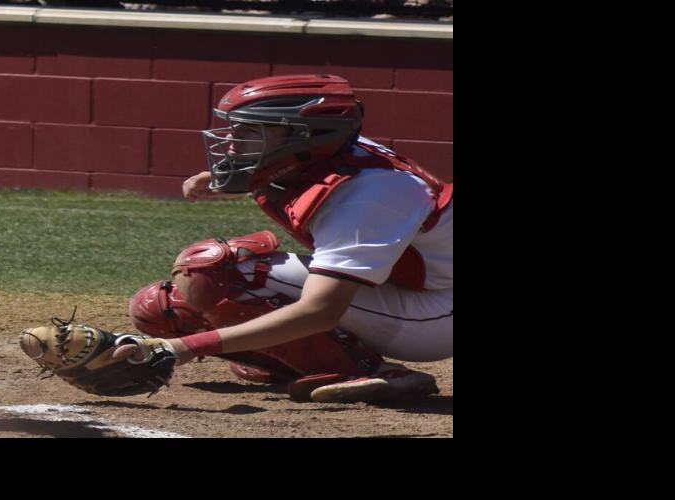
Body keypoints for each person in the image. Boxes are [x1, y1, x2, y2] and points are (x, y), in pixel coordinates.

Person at [124, 73, 451, 403]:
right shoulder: (336, 153)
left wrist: (185, 348)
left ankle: (373, 371)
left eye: (251, 130)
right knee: (164, 308)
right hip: (425, 292)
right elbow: (296, 170)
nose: (233, 141)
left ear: (301, 136)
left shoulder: (367, 194)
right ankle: (301, 363)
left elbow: (321, 311)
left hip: (438, 316)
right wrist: (232, 178)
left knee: (222, 270)